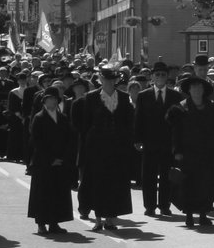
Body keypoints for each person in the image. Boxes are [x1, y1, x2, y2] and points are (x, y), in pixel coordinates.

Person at [71, 66, 135, 232]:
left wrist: (126, 141)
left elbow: (129, 123)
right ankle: (98, 219)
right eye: (105, 79)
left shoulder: (124, 97)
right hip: (96, 149)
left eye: (111, 79)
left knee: (115, 183)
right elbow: (84, 124)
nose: (108, 82)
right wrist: (87, 146)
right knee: (97, 184)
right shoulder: (91, 98)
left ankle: (111, 219)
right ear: (100, 80)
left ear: (115, 81)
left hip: (117, 148)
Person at [167, 75, 214, 227]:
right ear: (189, 90)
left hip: (207, 153)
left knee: (206, 184)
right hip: (187, 153)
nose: (197, 90)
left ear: (204, 90)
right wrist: (177, 151)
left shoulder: (211, 106)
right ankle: (190, 215)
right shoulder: (179, 108)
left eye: (199, 87)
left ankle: (204, 214)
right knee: (189, 185)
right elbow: (175, 132)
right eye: (194, 87)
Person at [133, 61, 181, 217]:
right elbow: (138, 119)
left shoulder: (175, 96)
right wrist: (137, 140)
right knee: (149, 176)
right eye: (157, 74)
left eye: (163, 74)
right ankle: (150, 206)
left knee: (167, 176)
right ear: (152, 77)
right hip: (149, 142)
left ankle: (164, 205)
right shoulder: (143, 95)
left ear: (167, 77)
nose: (160, 77)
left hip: (168, 143)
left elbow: (178, 122)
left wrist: (177, 143)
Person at [28, 86, 76, 235]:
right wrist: (50, 159)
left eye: (54, 99)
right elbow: (36, 141)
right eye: (49, 99)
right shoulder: (39, 117)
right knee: (42, 193)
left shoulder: (63, 118)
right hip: (43, 162)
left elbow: (69, 139)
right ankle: (41, 223)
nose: (52, 102)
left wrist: (63, 158)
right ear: (44, 101)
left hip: (60, 161)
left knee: (58, 192)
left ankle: (54, 223)